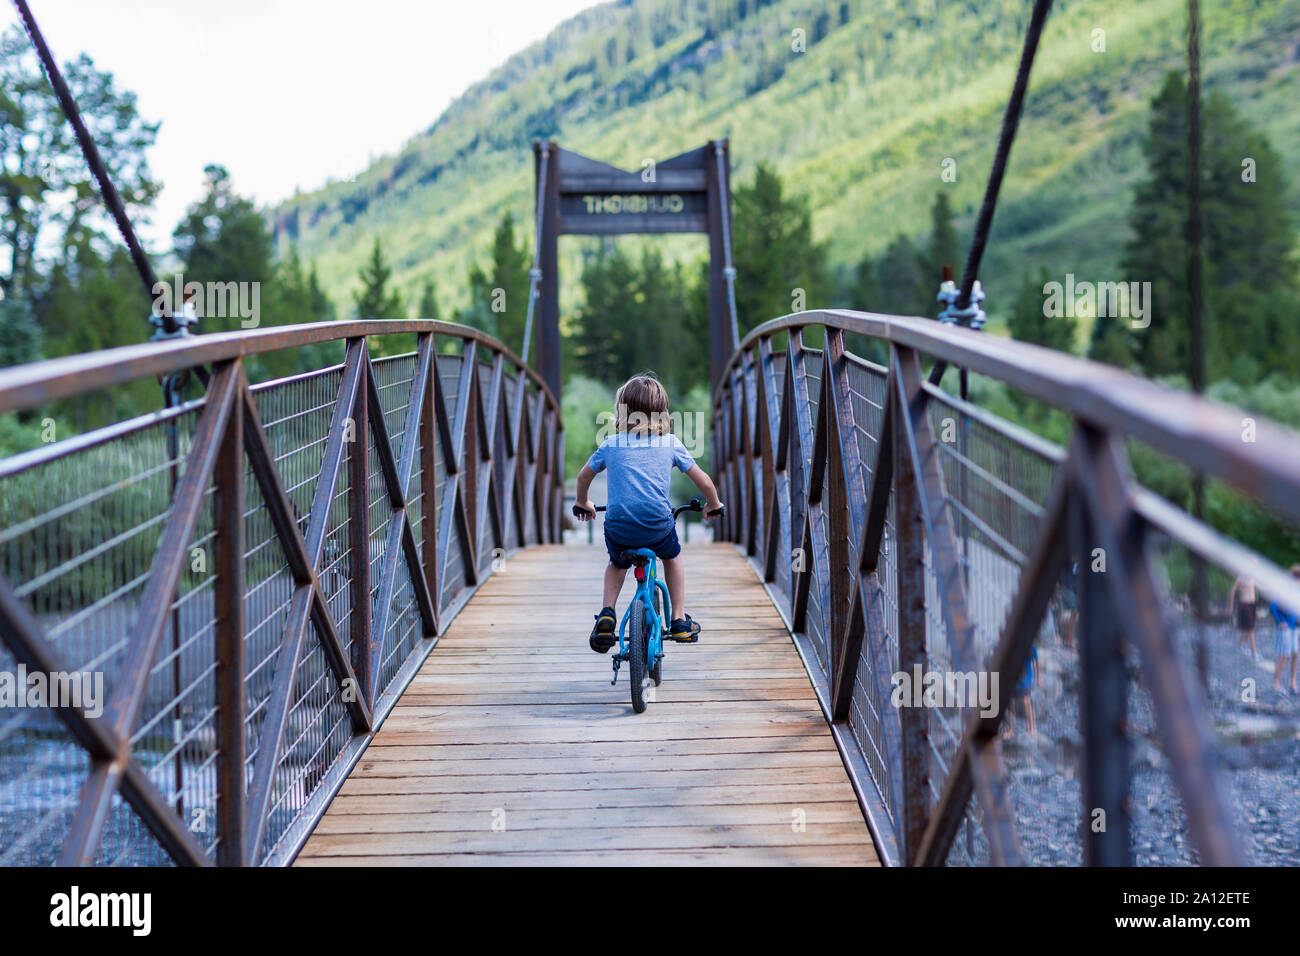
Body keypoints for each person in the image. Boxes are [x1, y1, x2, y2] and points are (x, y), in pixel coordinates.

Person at [573, 374, 724, 652]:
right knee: (672, 556)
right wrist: (713, 503)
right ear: (662, 412)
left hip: (620, 528)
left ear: (622, 410)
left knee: (617, 564)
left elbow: (583, 478)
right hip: (657, 528)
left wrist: (583, 502)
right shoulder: (671, 443)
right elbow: (703, 481)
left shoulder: (611, 444)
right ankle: (678, 619)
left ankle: (607, 611)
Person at [1269, 566, 1300, 695]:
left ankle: (1292, 683)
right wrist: (1280, 621)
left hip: (1296, 627)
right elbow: (1273, 605)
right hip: (1286, 627)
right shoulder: (1286, 589)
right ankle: (1276, 683)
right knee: (1284, 655)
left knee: (1295, 654)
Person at [1228, 575, 1260, 659]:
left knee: (1248, 628)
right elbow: (1232, 590)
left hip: (1252, 605)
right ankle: (1254, 653)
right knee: (1250, 629)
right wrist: (1230, 607)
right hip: (1245, 604)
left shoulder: (1253, 577)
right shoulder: (1241, 577)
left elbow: (1260, 587)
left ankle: (1239, 644)